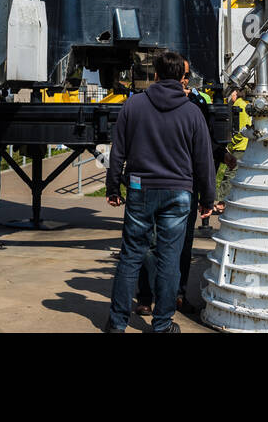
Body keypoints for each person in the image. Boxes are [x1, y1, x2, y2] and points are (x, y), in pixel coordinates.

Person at [104, 51, 215, 333]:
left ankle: (117, 324)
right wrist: (207, 199)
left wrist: (113, 186)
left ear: (155, 75)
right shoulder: (192, 112)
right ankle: (162, 325)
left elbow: (119, 151)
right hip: (179, 192)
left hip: (140, 188)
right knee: (169, 259)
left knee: (131, 255)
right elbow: (204, 160)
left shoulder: (134, 106)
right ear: (182, 78)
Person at [134, 62, 215, 315]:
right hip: (161, 184)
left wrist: (208, 191)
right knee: (150, 244)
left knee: (183, 246)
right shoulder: (144, 101)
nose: (186, 79)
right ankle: (146, 297)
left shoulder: (198, 104)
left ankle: (177, 294)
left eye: (188, 75)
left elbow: (204, 146)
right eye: (184, 74)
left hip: (185, 186)